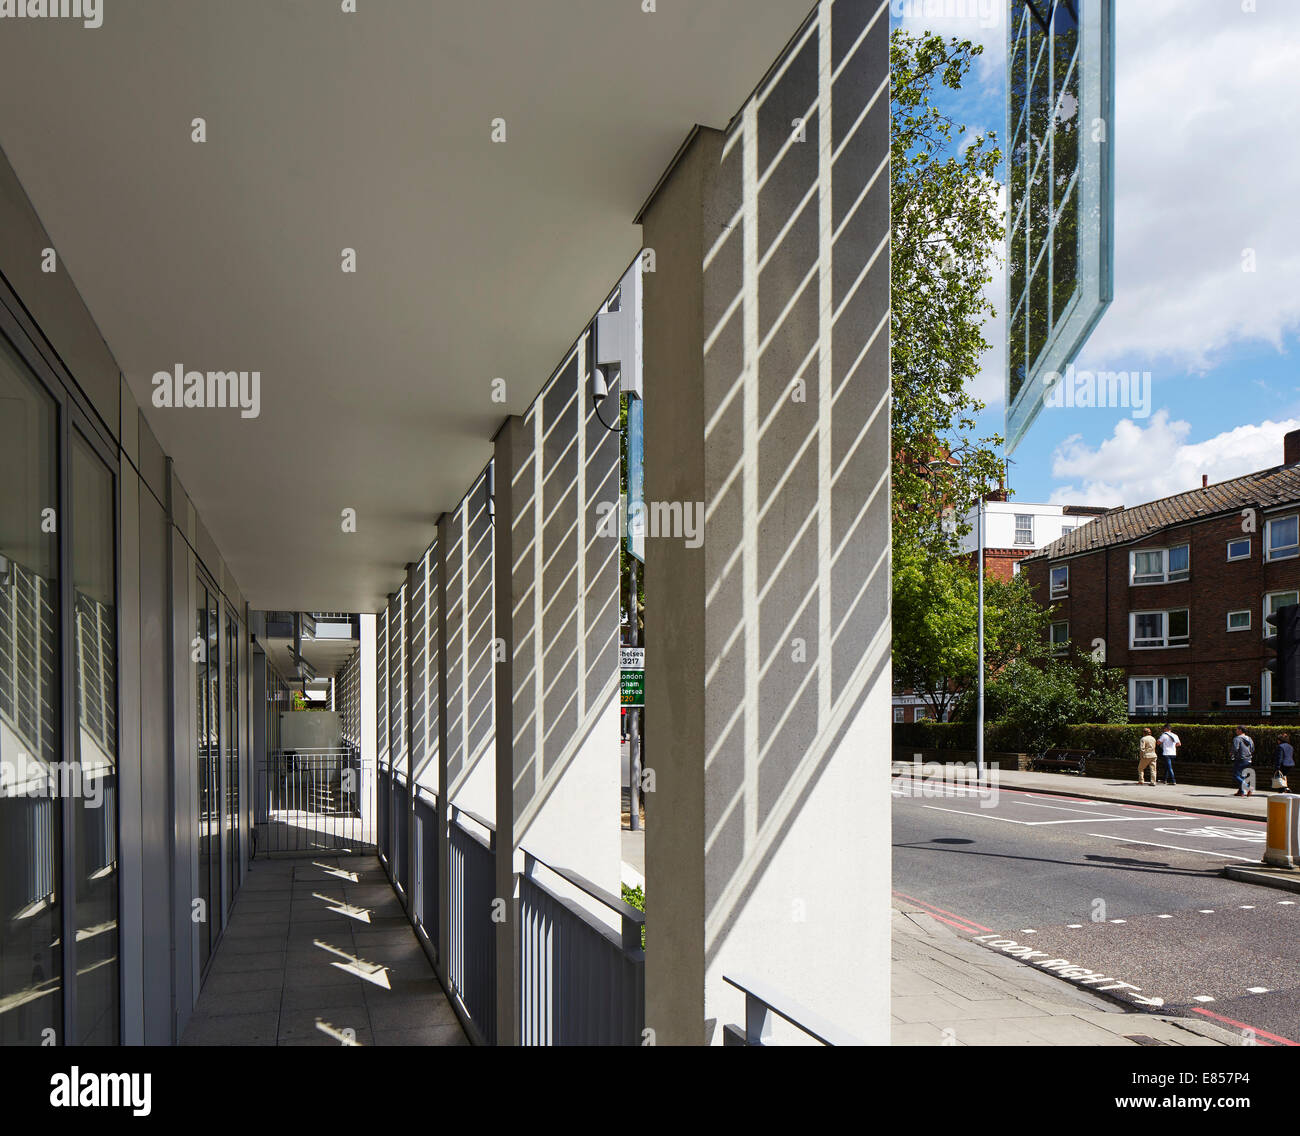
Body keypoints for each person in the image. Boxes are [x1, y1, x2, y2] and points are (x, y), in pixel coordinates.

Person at [1231, 725, 1255, 796]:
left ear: (1240, 730)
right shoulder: (1249, 738)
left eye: (1237, 729)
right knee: (1242, 776)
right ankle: (1241, 792)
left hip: (1240, 759)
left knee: (1236, 776)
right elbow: (1252, 749)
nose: (1236, 731)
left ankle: (1249, 788)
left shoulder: (1237, 738)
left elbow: (1235, 748)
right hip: (1248, 759)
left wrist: (1232, 754)